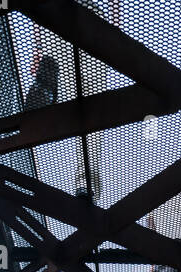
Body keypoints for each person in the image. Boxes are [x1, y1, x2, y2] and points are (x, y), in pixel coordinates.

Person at [26, 0, 120, 203]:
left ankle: (47, 80)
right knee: (87, 114)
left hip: (70, 20)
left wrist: (38, 48)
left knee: (86, 114)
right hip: (83, 22)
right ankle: (86, 185)